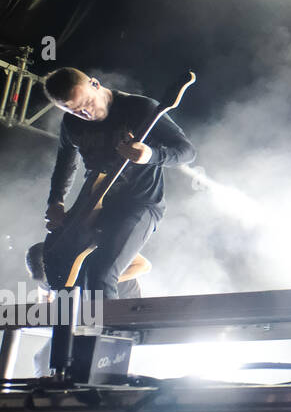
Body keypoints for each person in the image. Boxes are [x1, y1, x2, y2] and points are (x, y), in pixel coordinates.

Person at [41, 67, 195, 300]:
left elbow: (187, 151)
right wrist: (56, 201)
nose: (85, 113)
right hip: (96, 204)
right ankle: (129, 264)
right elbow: (65, 163)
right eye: (75, 111)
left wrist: (150, 155)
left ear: (95, 84)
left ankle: (106, 334)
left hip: (139, 205)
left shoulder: (139, 108)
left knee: (100, 273)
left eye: (87, 103)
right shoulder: (71, 123)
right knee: (62, 266)